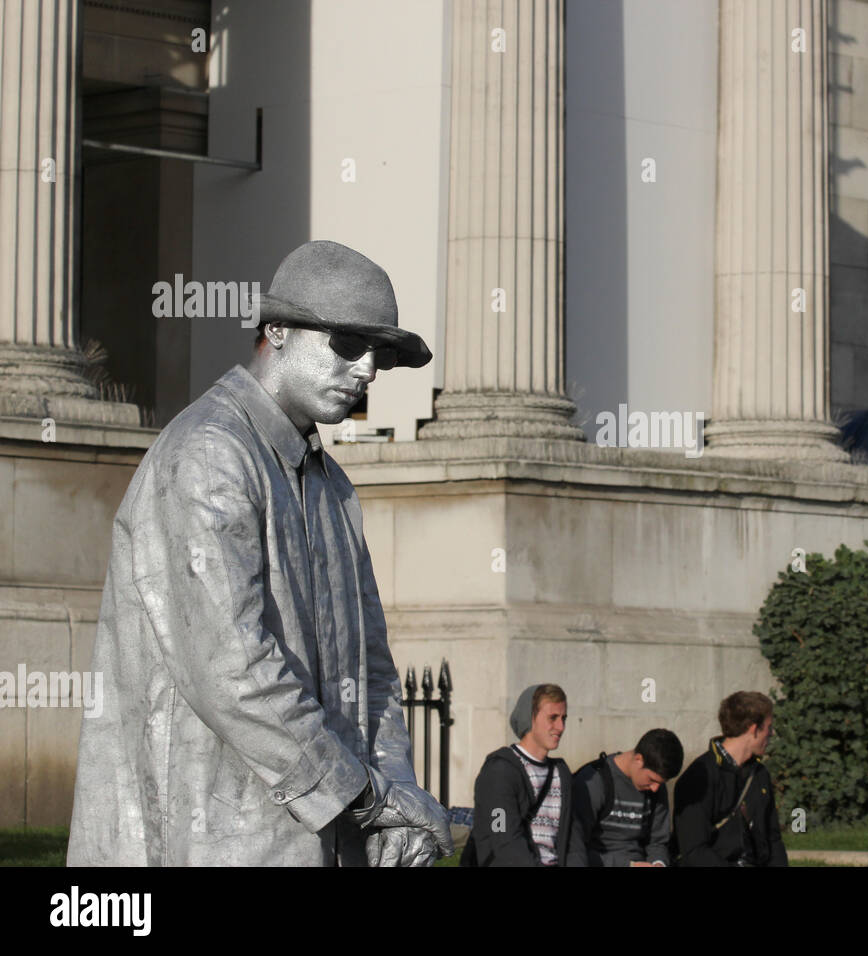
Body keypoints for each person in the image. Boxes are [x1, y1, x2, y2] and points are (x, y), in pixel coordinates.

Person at [67, 240, 452, 866]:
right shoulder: (209, 454)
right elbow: (232, 668)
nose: (367, 371)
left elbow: (372, 670)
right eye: (347, 345)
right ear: (275, 330)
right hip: (207, 841)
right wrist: (367, 799)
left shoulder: (330, 485)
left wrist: (396, 793)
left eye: (378, 354)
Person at [463, 683, 586, 866]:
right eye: (552, 718)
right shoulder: (499, 771)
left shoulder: (561, 773)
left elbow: (573, 839)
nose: (560, 727)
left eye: (563, 718)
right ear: (530, 717)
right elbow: (503, 838)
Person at [672, 691, 788, 866]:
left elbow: (773, 840)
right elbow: (694, 851)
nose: (771, 734)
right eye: (769, 727)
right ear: (753, 729)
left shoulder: (760, 774)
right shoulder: (699, 777)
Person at [573, 729, 683, 866]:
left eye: (661, 783)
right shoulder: (594, 781)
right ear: (638, 759)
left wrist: (658, 863)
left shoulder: (656, 788)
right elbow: (574, 850)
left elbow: (658, 843)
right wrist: (628, 865)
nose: (655, 788)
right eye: (652, 780)